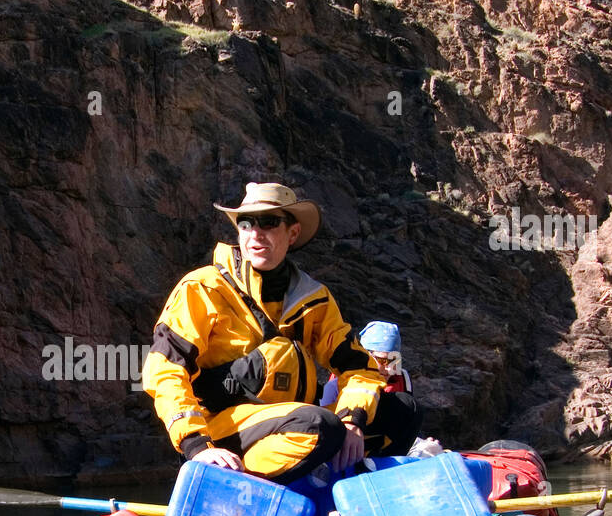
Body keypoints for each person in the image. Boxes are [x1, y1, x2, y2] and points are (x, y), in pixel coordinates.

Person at [142, 182, 411, 483]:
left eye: (269, 222)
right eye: (246, 223)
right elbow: (166, 371)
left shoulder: (314, 299)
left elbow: (359, 368)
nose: (255, 234)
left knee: (402, 411)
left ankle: (346, 491)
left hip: (292, 424)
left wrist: (353, 420)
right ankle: (248, 479)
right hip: (221, 431)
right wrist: (195, 444)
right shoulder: (202, 288)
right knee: (319, 425)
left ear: (292, 233)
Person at [321, 320, 421, 456]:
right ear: (366, 357)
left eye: (394, 361)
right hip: (346, 450)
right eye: (382, 361)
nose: (388, 369)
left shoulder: (402, 383)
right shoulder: (335, 386)